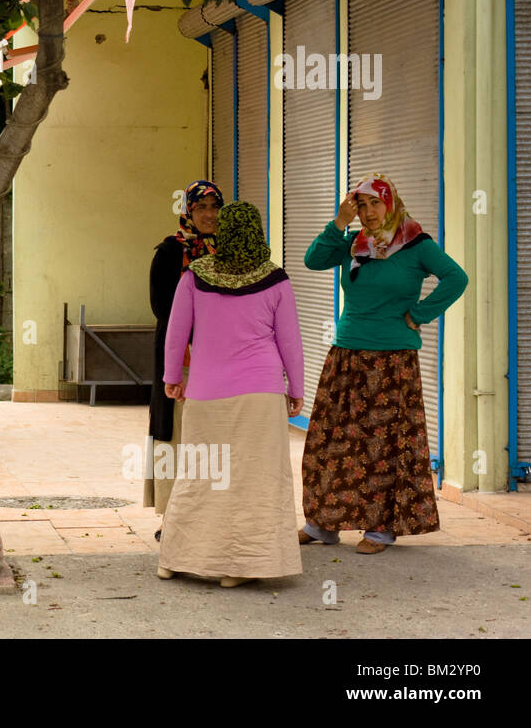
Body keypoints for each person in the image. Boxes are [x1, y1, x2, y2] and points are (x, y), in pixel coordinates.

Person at [299, 173, 468, 554]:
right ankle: (324, 523)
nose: (369, 212)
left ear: (390, 203)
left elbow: (456, 278)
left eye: (375, 203)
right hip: (346, 353)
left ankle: (380, 527)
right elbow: (313, 261)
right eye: (362, 204)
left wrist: (421, 313)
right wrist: (339, 223)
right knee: (331, 439)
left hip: (392, 360)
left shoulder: (417, 244)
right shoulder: (353, 243)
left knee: (381, 446)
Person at [157, 201, 305, 588]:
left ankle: (174, 559)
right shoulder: (276, 279)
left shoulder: (195, 275)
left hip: (207, 393)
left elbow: (177, 332)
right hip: (260, 392)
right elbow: (290, 340)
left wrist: (172, 376)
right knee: (253, 480)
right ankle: (236, 566)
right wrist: (297, 388)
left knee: (199, 475)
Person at [145, 180, 223, 536]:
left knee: (211, 435)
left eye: (214, 207)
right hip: (183, 357)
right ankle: (173, 517)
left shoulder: (230, 250)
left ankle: (209, 513)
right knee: (178, 433)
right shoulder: (170, 252)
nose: (209, 215)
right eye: (201, 208)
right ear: (188, 212)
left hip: (221, 357)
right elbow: (161, 307)